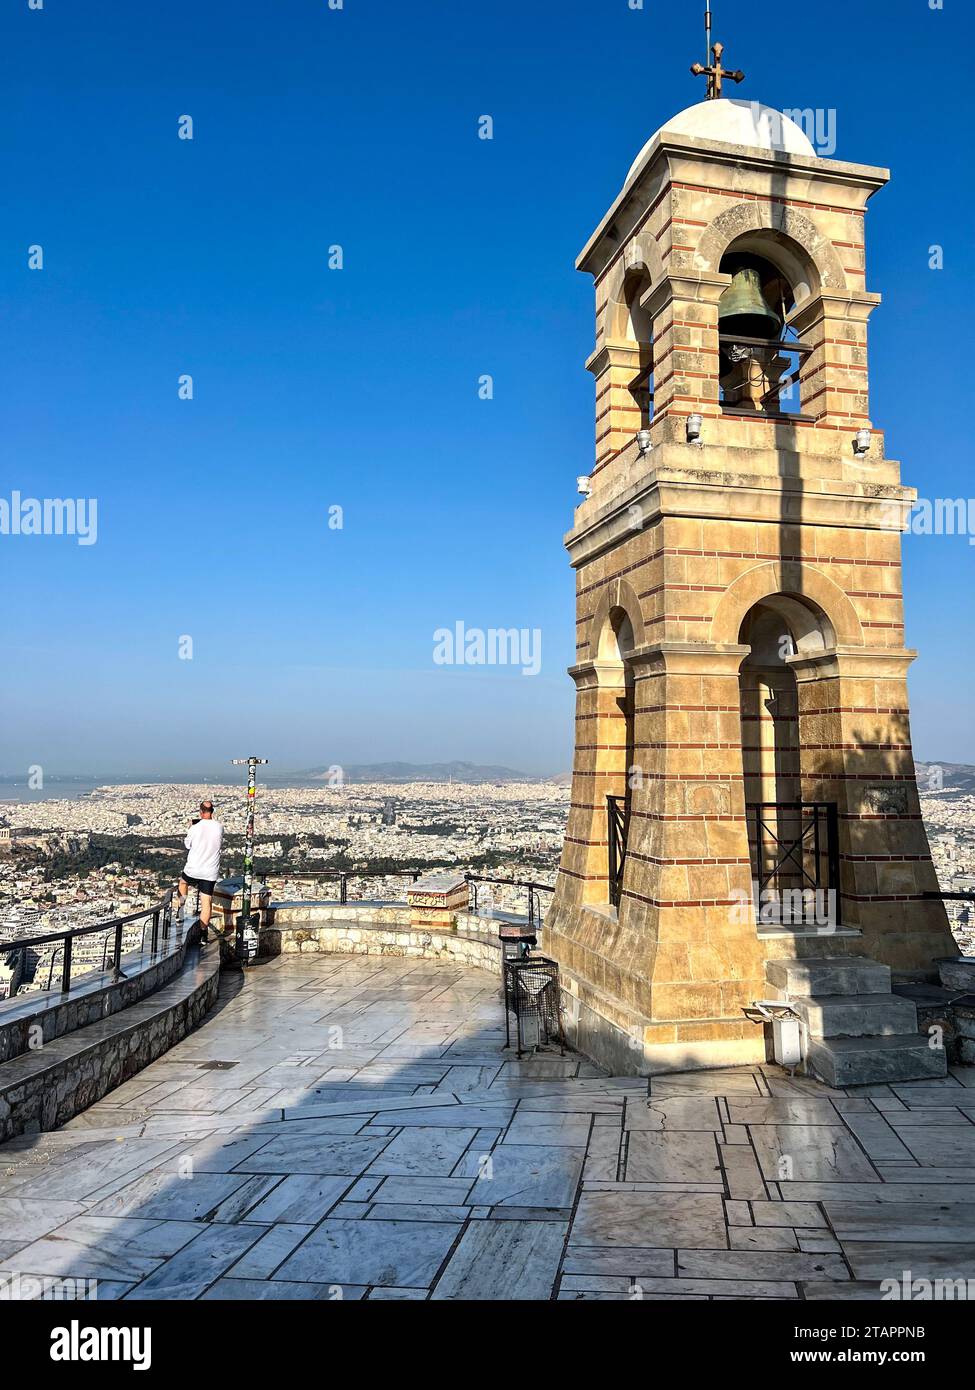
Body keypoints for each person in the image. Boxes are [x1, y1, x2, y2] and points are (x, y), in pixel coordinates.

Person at [178, 799, 223, 936]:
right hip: (210, 871)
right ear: (212, 812)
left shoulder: (194, 828)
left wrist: (191, 827)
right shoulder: (219, 827)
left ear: (201, 812)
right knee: (206, 902)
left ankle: (180, 910)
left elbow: (187, 845)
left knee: (183, 883)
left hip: (193, 868)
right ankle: (203, 934)